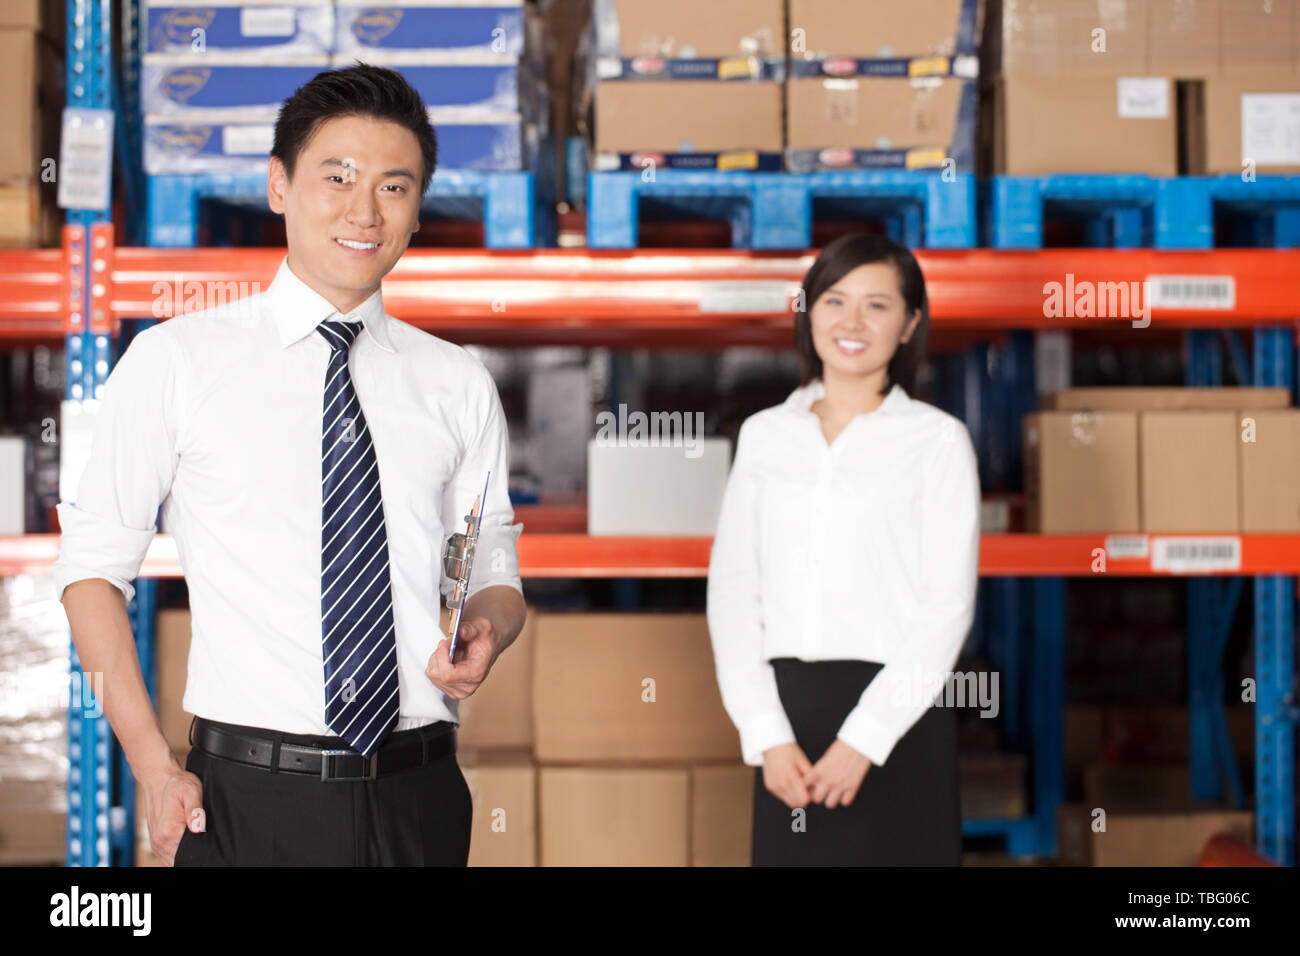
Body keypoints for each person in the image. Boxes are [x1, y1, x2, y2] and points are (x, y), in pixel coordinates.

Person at [54, 65, 526, 866]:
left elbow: (493, 569)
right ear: (279, 185)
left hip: (420, 795)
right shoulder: (178, 361)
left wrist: (490, 626)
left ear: (417, 211)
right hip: (249, 800)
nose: (364, 211)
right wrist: (152, 765)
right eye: (337, 177)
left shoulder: (457, 383)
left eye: (393, 187)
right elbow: (91, 573)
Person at [706, 232, 980, 866]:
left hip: (900, 716)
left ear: (909, 324)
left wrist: (865, 738)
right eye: (834, 301)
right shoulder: (766, 436)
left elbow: (948, 606)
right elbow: (733, 592)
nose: (852, 322)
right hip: (789, 724)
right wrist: (765, 733)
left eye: (876, 305)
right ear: (809, 313)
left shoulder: (937, 441)